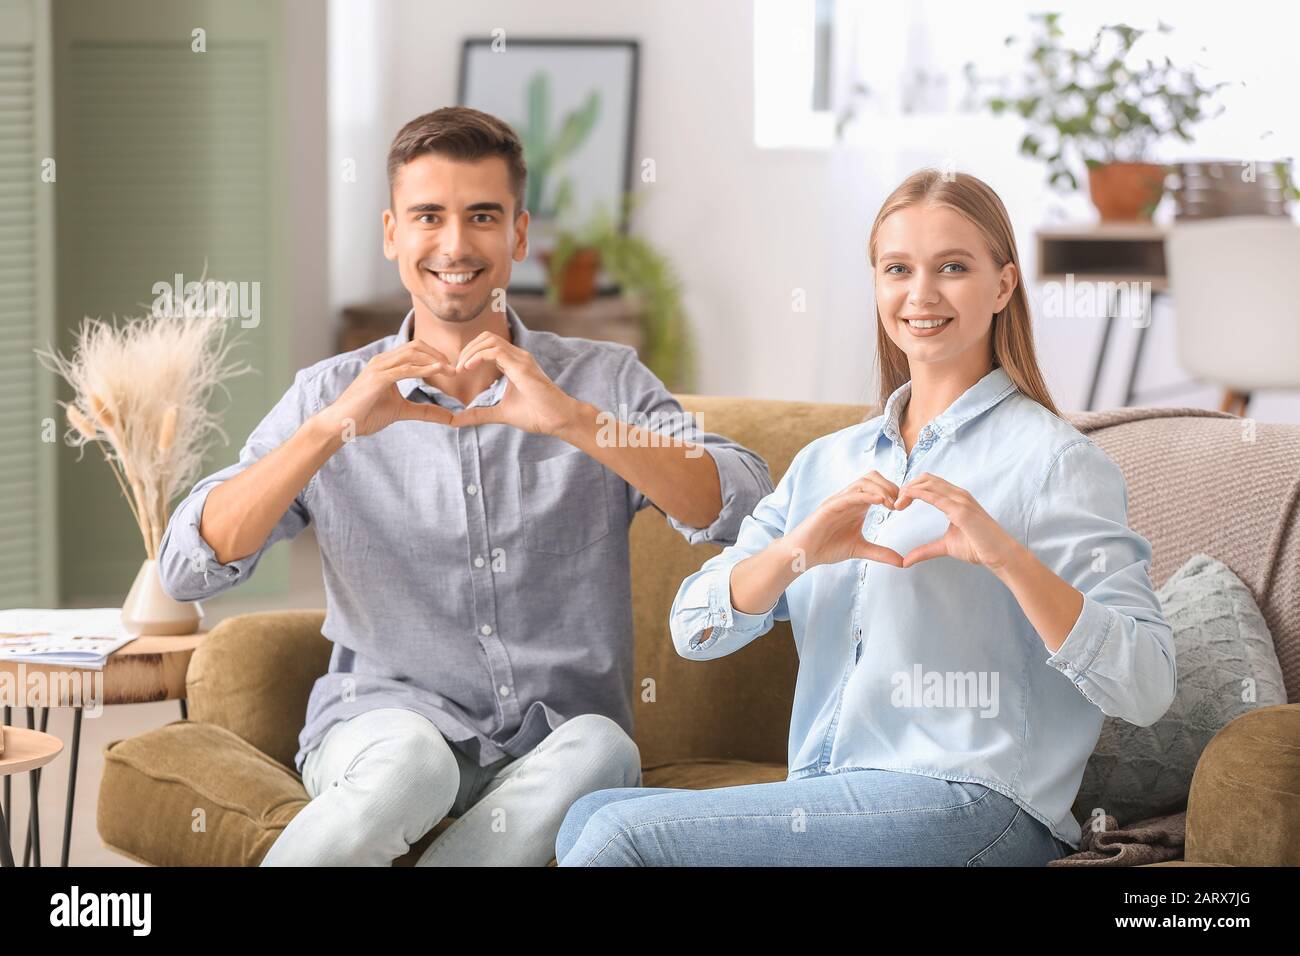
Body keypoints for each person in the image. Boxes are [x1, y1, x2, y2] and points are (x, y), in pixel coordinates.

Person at [157, 106, 774, 866]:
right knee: (415, 763)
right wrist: (327, 432)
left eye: (482, 216)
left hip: (558, 744)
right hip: (384, 728)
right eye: (428, 216)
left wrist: (578, 424)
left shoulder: (601, 382)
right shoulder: (329, 395)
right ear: (393, 234)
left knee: (602, 751)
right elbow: (187, 566)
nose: (455, 245)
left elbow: (746, 505)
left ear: (518, 235)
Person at [555, 168, 1177, 867]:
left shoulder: (1054, 462)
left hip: (979, 807)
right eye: (897, 269)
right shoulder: (829, 464)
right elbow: (693, 629)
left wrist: (1010, 559)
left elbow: (1147, 683)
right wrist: (800, 551)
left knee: (617, 836)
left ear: (1003, 286)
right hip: (833, 796)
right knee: (589, 814)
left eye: (952, 267)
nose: (921, 294)